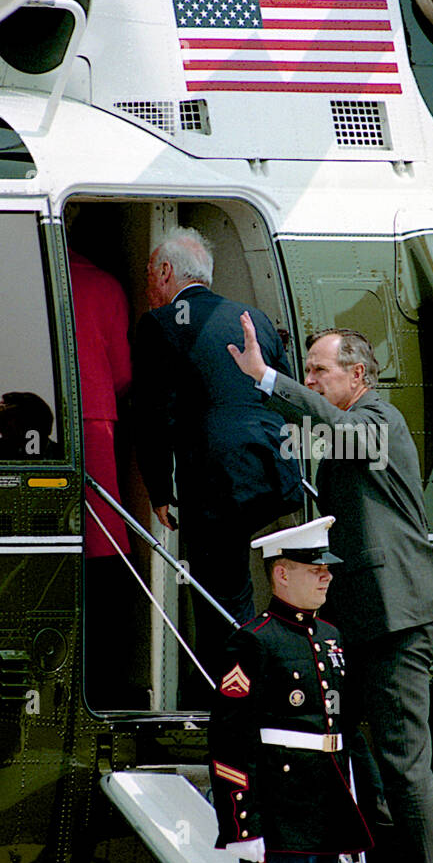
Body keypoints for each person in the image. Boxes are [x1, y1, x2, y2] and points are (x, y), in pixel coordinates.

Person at [228, 314, 433, 863]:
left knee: (405, 760)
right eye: (307, 370)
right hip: (366, 622)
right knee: (349, 741)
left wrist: (269, 377)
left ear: (358, 375)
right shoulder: (343, 432)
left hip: (395, 618)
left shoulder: (377, 423)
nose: (312, 379)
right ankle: (396, 860)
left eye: (320, 370)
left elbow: (331, 428)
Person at [208, 515, 372, 863]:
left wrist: (357, 802)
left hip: (322, 813)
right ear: (281, 574)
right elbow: (230, 741)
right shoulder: (252, 641)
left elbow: (343, 730)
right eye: (314, 568)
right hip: (276, 817)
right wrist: (242, 822)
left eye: (326, 567)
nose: (326, 577)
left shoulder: (330, 637)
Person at [132, 227, 302, 692]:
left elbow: (152, 415)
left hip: (215, 477)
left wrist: (159, 490)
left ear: (166, 272)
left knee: (220, 597)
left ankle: (232, 702)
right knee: (265, 589)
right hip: (273, 471)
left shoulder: (160, 324)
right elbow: (285, 394)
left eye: (150, 274)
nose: (149, 285)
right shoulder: (257, 318)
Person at [68, 242, 134, 707]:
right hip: (94, 420)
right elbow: (122, 374)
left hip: (33, 418)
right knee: (104, 545)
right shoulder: (106, 285)